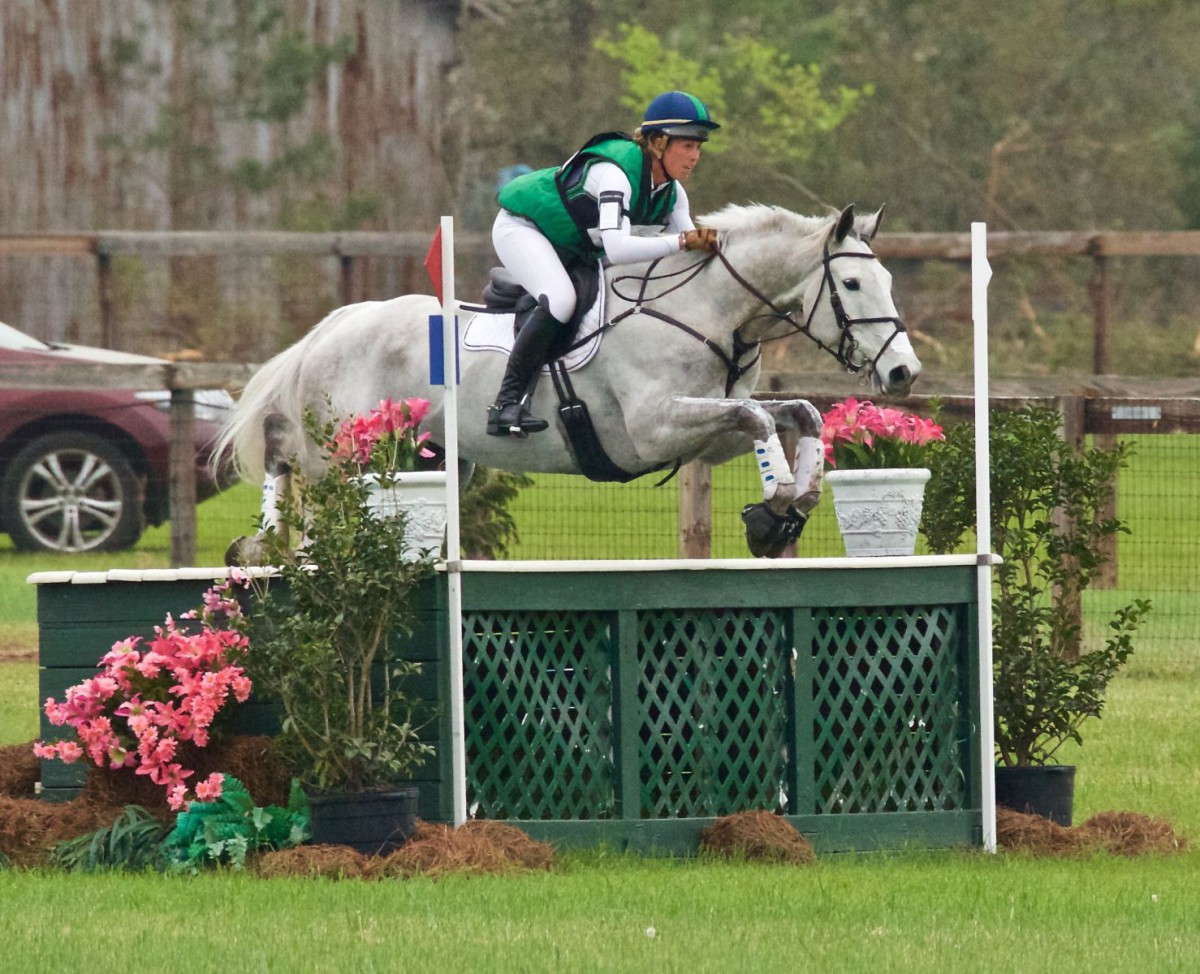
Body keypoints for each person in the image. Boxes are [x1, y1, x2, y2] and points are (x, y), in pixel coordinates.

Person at [486, 90, 721, 437]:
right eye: (687, 146)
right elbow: (619, 248)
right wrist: (684, 242)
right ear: (658, 143)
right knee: (561, 300)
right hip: (523, 226)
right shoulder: (616, 175)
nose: (695, 156)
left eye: (698, 147)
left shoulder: (672, 194)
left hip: (571, 244)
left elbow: (690, 253)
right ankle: (505, 405)